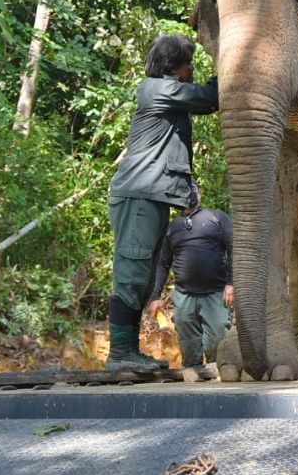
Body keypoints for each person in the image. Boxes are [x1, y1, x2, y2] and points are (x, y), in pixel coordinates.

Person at [106, 35, 219, 372]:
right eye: (189, 64)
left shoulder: (167, 96)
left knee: (143, 277)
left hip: (152, 197)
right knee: (132, 274)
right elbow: (210, 97)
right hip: (139, 196)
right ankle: (120, 354)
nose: (192, 70)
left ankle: (128, 353)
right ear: (173, 66)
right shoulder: (156, 88)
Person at [149, 183, 234, 380]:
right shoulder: (172, 227)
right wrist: (155, 296)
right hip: (185, 295)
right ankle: (192, 382)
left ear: (200, 192)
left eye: (193, 188)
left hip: (215, 293)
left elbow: (234, 249)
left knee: (217, 342)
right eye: (184, 190)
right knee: (189, 344)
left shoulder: (217, 217)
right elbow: (162, 264)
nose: (189, 193)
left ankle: (217, 380)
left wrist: (232, 283)